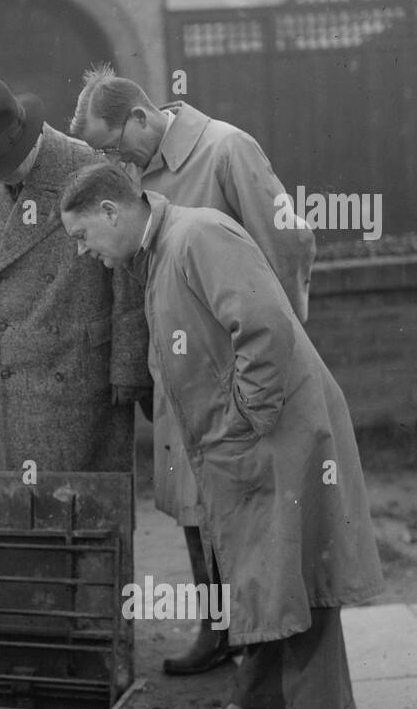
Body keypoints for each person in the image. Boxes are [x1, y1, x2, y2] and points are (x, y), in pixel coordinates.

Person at [59, 162, 383, 709]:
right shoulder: (161, 247)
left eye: (82, 236)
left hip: (278, 431)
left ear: (110, 212)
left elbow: (264, 326)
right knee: (257, 568)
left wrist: (240, 422)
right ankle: (261, 696)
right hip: (252, 436)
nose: (83, 252)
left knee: (298, 571)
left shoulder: (197, 234)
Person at [70, 64, 316, 674]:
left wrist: (276, 356)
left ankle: (261, 648)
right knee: (192, 511)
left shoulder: (227, 148)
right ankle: (218, 630)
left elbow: (287, 247)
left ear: (139, 116)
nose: (110, 158)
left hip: (238, 380)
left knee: (248, 514)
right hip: (178, 376)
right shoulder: (130, 170)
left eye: (111, 143)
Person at [0, 75, 149, 474]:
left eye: (5, 166)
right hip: (8, 369)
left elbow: (127, 267)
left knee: (86, 512)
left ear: (28, 140)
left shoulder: (88, 165)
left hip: (81, 372)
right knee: (23, 514)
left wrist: (128, 364)